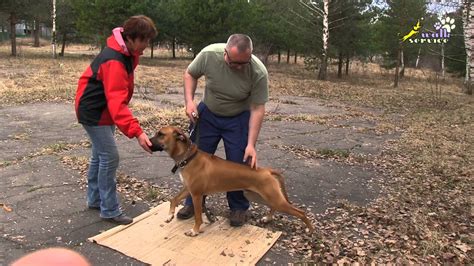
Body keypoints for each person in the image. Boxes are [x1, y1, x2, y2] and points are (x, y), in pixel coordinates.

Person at [178, 34, 269, 226]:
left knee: (237, 164)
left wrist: (251, 144)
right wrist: (189, 101)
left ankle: (238, 208)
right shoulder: (209, 54)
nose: (237, 67)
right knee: (195, 159)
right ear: (225, 52)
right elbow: (190, 74)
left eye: (242, 64)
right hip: (208, 114)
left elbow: (257, 109)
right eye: (233, 62)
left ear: (250, 57)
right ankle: (193, 203)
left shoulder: (258, 72)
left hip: (238, 119)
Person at [74, 15, 157, 225]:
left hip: (103, 109)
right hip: (94, 112)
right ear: (130, 38)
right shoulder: (114, 59)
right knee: (110, 157)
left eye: (148, 40)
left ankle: (95, 199)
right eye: (144, 40)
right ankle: (109, 209)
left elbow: (115, 98)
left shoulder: (127, 52)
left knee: (99, 156)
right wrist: (138, 132)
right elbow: (116, 102)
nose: (147, 45)